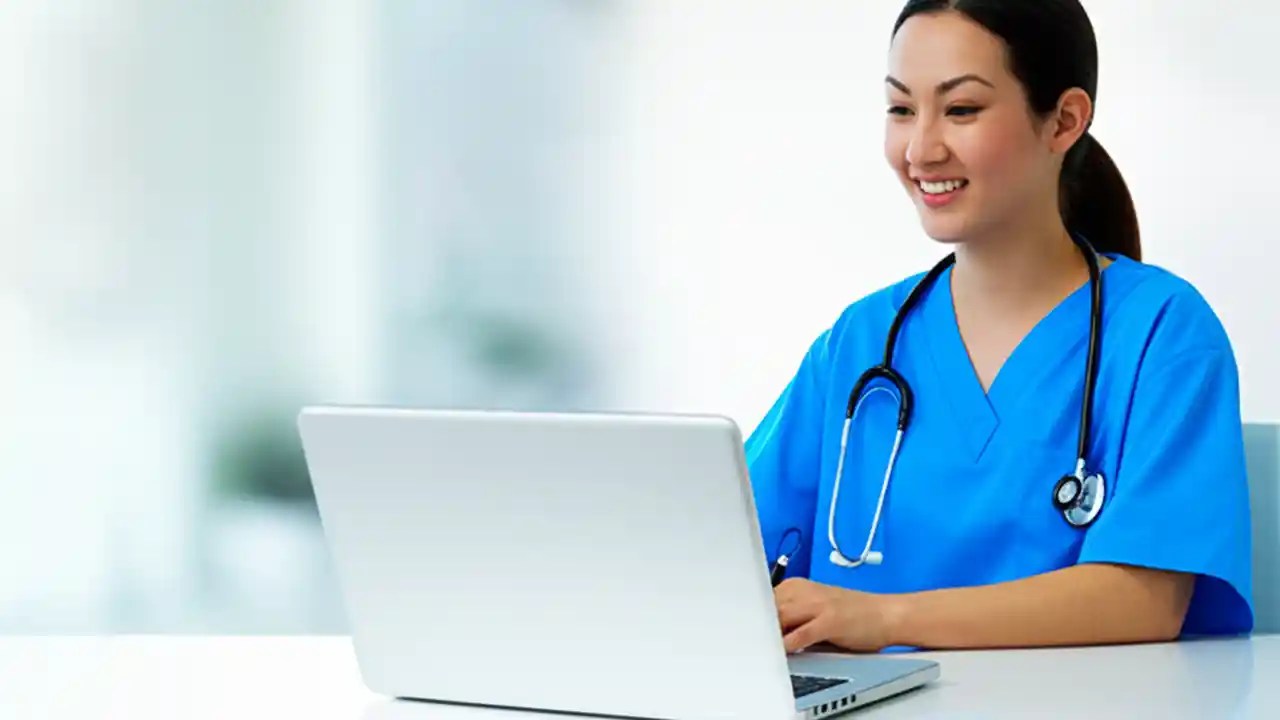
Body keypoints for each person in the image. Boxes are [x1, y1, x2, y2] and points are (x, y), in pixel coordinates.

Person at [747, 0, 1254, 654]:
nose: (920, 148)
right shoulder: (862, 340)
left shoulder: (1163, 334)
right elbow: (722, 551)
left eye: (961, 110)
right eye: (901, 109)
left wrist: (883, 620)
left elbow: (1143, 598)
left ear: (1064, 121)